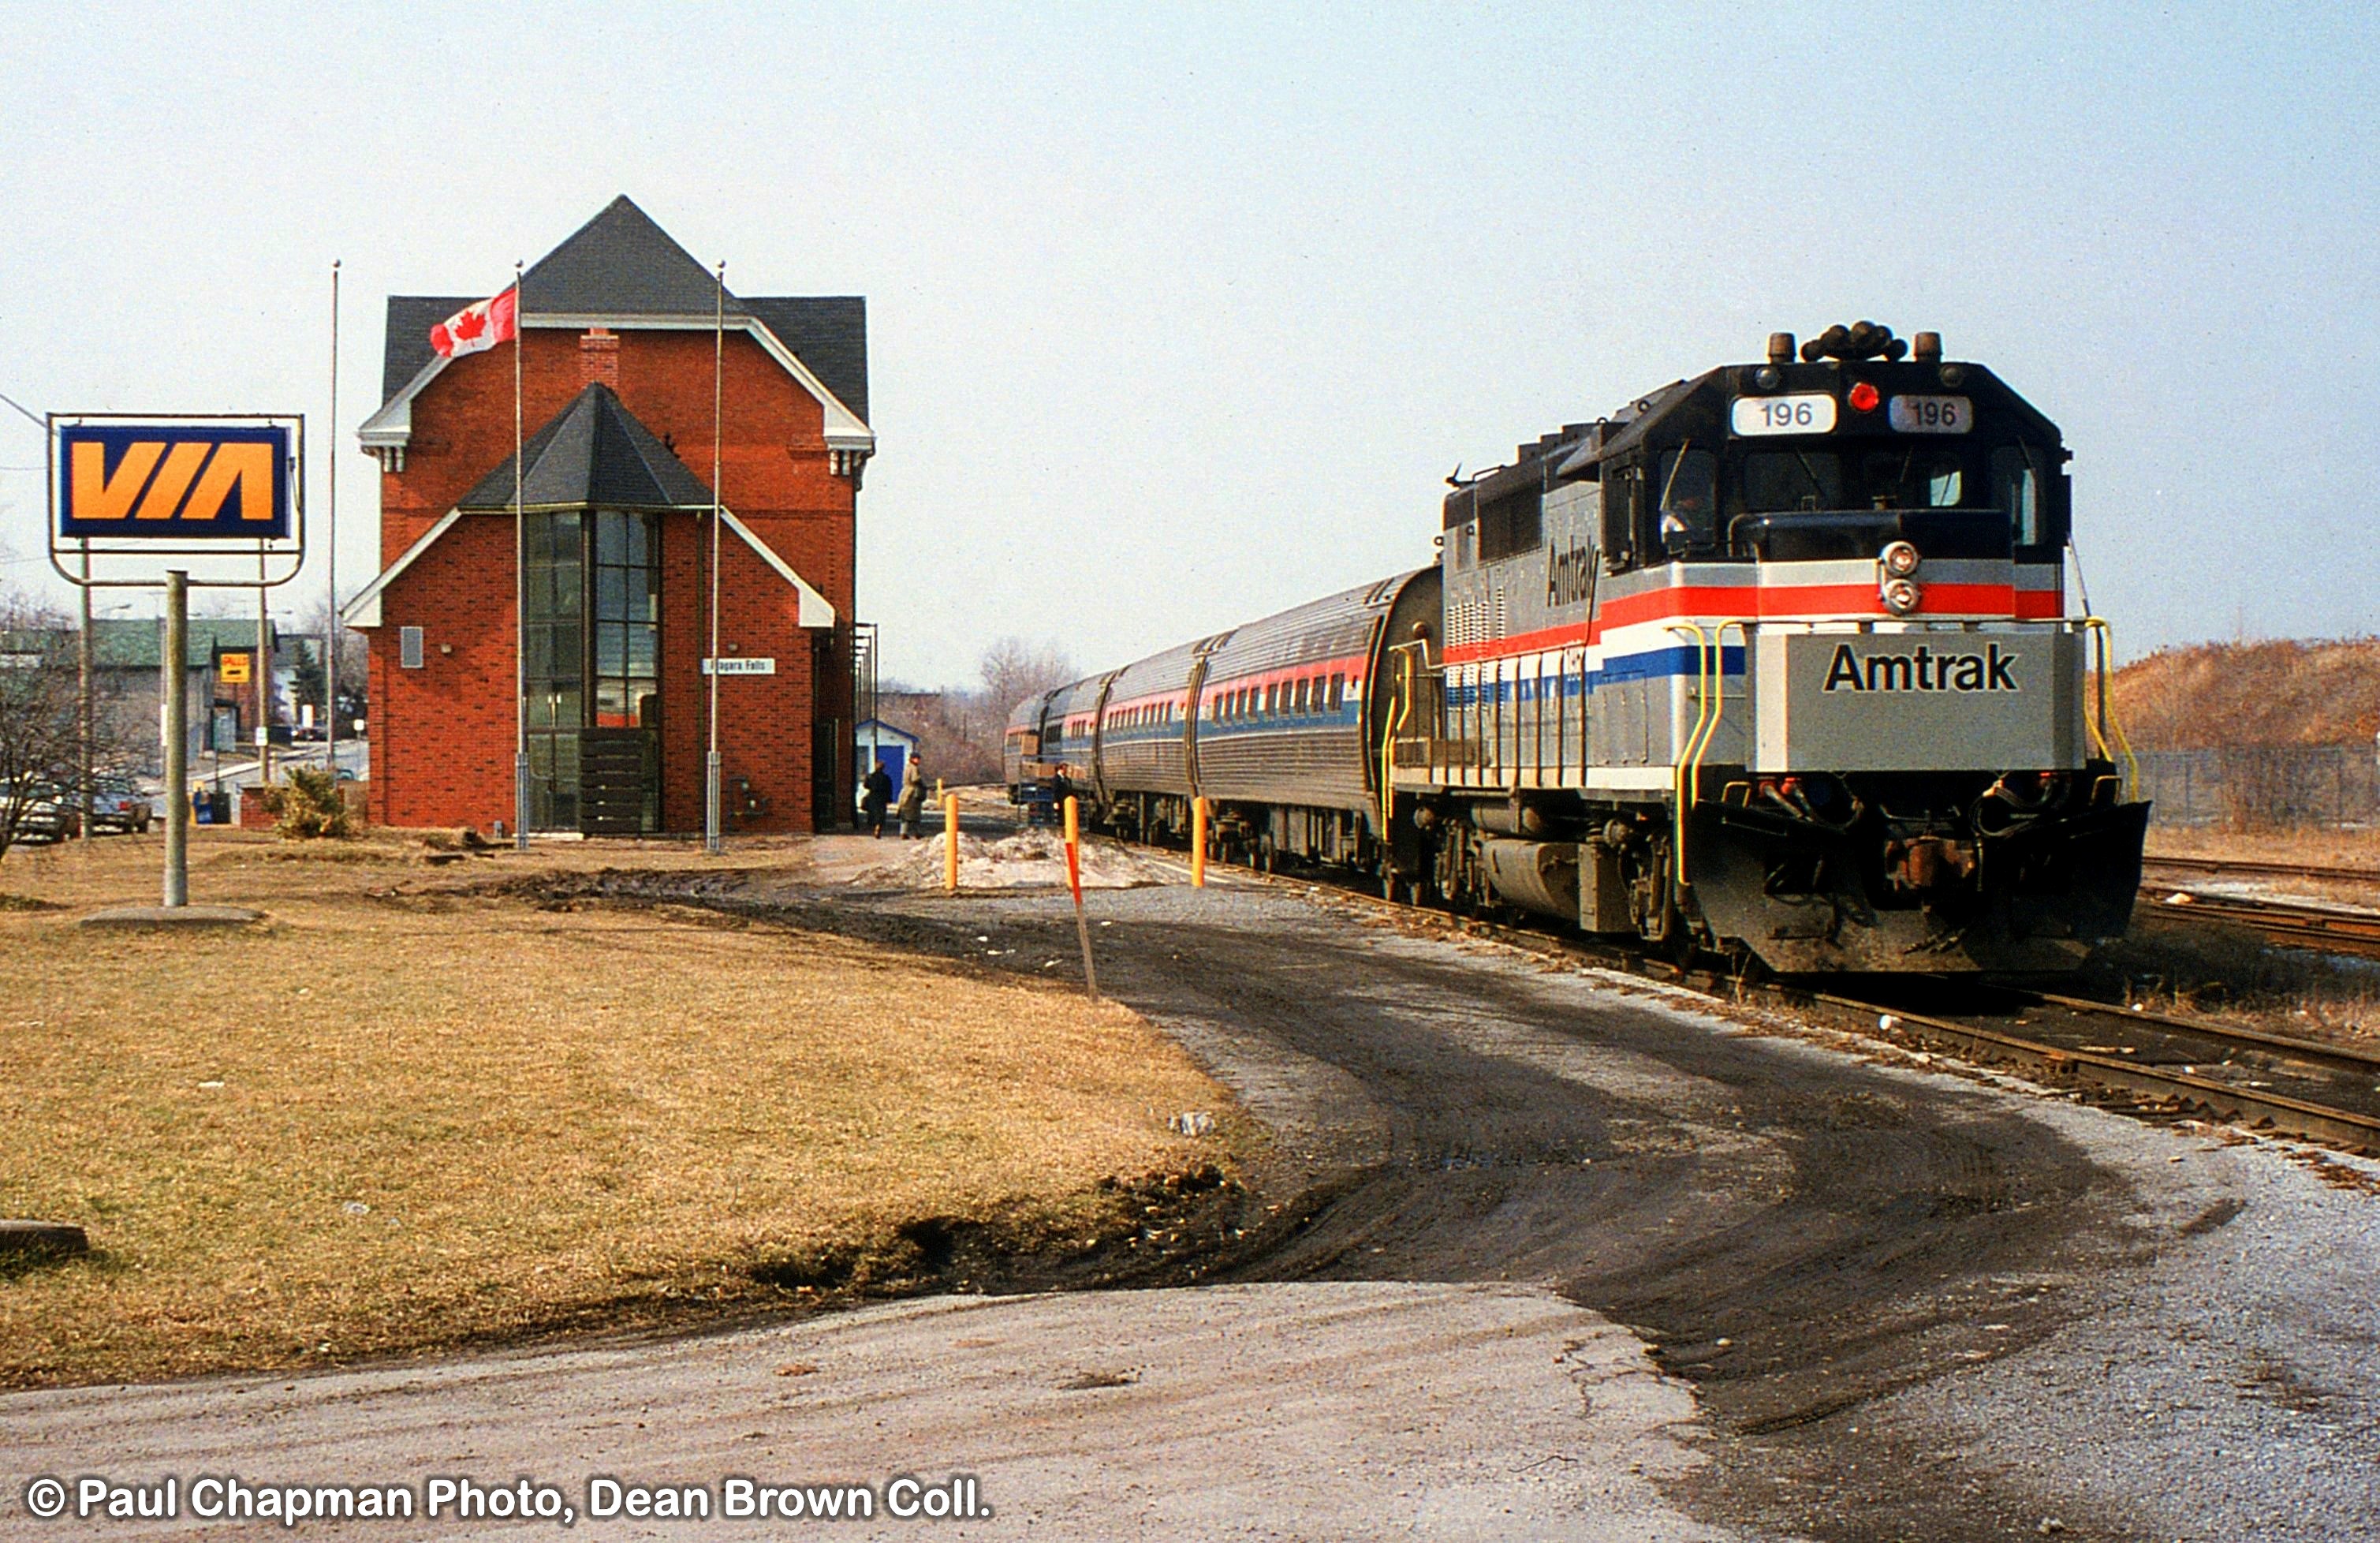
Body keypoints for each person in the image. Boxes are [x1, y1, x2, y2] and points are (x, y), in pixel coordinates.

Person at [860, 760, 893, 838]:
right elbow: (889, 789)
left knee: (873, 813)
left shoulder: (871, 777)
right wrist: (889, 799)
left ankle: (874, 826)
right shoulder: (886, 778)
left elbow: (866, 785)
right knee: (881, 814)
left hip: (873, 796)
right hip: (882, 798)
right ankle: (878, 826)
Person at [896, 763, 927, 839]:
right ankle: (917, 832)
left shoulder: (906, 768)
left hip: (905, 793)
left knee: (905, 813)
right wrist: (922, 784)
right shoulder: (914, 768)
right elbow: (915, 778)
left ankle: (903, 832)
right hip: (912, 793)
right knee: (915, 814)